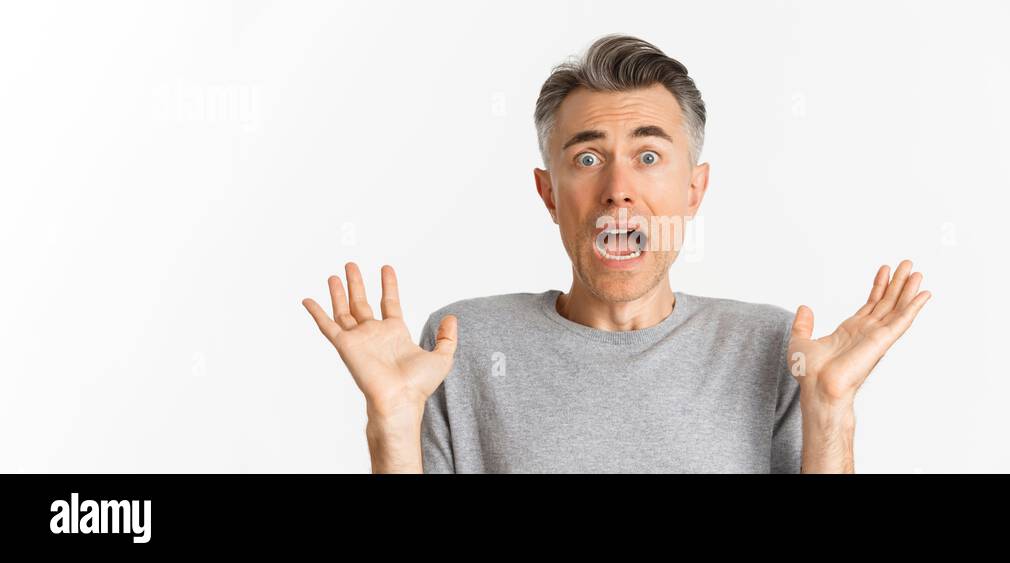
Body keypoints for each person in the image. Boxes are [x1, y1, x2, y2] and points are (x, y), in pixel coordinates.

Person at [302, 34, 931, 473]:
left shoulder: (773, 347)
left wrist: (832, 412)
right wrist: (390, 423)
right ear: (550, 194)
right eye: (587, 158)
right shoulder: (460, 344)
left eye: (649, 156)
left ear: (694, 189)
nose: (618, 189)